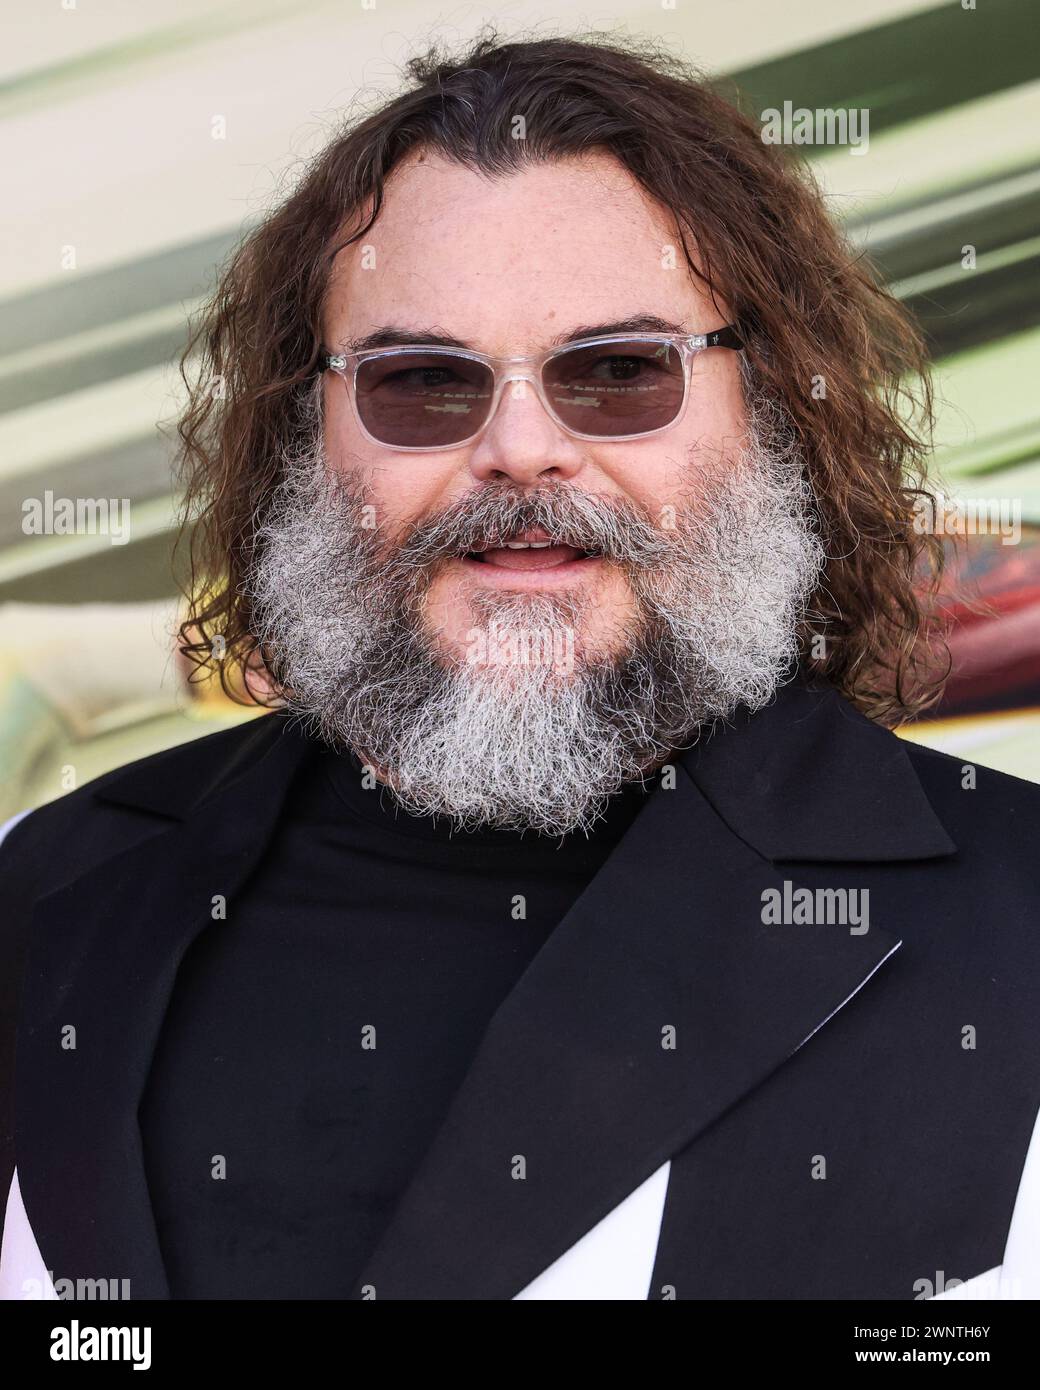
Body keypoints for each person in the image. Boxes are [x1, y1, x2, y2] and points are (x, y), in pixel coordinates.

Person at [1, 32, 1038, 1303]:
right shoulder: (49, 891)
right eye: (422, 383)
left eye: (616, 373)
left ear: (772, 413)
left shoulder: (1018, 914)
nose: (522, 448)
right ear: (300, 437)